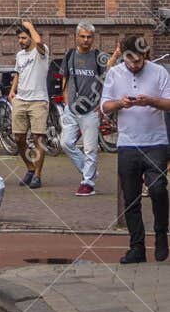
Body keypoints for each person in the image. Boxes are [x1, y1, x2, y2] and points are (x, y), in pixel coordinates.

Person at [101, 32, 170, 264]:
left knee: (159, 188)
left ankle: (161, 234)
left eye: (139, 60)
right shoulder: (114, 74)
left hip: (156, 142)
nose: (135, 65)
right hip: (127, 144)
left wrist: (150, 100)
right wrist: (121, 103)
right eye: (131, 61)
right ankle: (137, 247)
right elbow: (104, 106)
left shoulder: (159, 72)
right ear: (124, 57)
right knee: (131, 198)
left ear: (146, 55)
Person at [61, 22, 118, 195]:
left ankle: (88, 183)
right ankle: (90, 172)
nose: (86, 40)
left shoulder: (97, 56)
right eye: (83, 36)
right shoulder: (70, 55)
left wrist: (100, 106)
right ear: (76, 37)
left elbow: (108, 77)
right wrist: (66, 102)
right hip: (71, 109)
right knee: (66, 143)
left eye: (89, 37)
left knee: (90, 148)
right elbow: (65, 79)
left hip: (91, 110)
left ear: (93, 38)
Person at [9, 18, 50, 189]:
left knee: (38, 137)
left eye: (24, 38)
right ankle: (30, 168)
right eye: (19, 38)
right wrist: (12, 90)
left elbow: (39, 41)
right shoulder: (20, 55)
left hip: (39, 101)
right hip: (21, 99)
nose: (21, 41)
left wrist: (30, 26)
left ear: (31, 37)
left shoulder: (42, 52)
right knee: (18, 137)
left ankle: (38, 176)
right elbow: (18, 73)